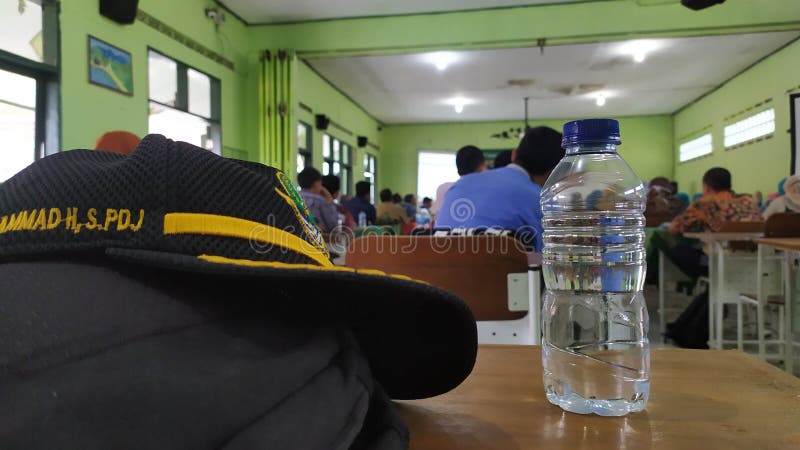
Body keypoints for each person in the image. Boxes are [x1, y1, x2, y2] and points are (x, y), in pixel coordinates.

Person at [436, 127, 565, 252]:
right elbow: (550, 257)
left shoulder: (459, 185)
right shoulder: (541, 200)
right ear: (553, 171)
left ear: (514, 155)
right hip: (503, 273)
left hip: (437, 271)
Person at [431, 145, 488, 216]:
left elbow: (435, 217)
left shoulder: (443, 189)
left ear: (458, 170)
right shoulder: (487, 192)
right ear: (482, 167)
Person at [297, 167, 339, 233]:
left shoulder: (294, 196)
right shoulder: (319, 200)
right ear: (316, 183)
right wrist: (329, 200)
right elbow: (333, 226)